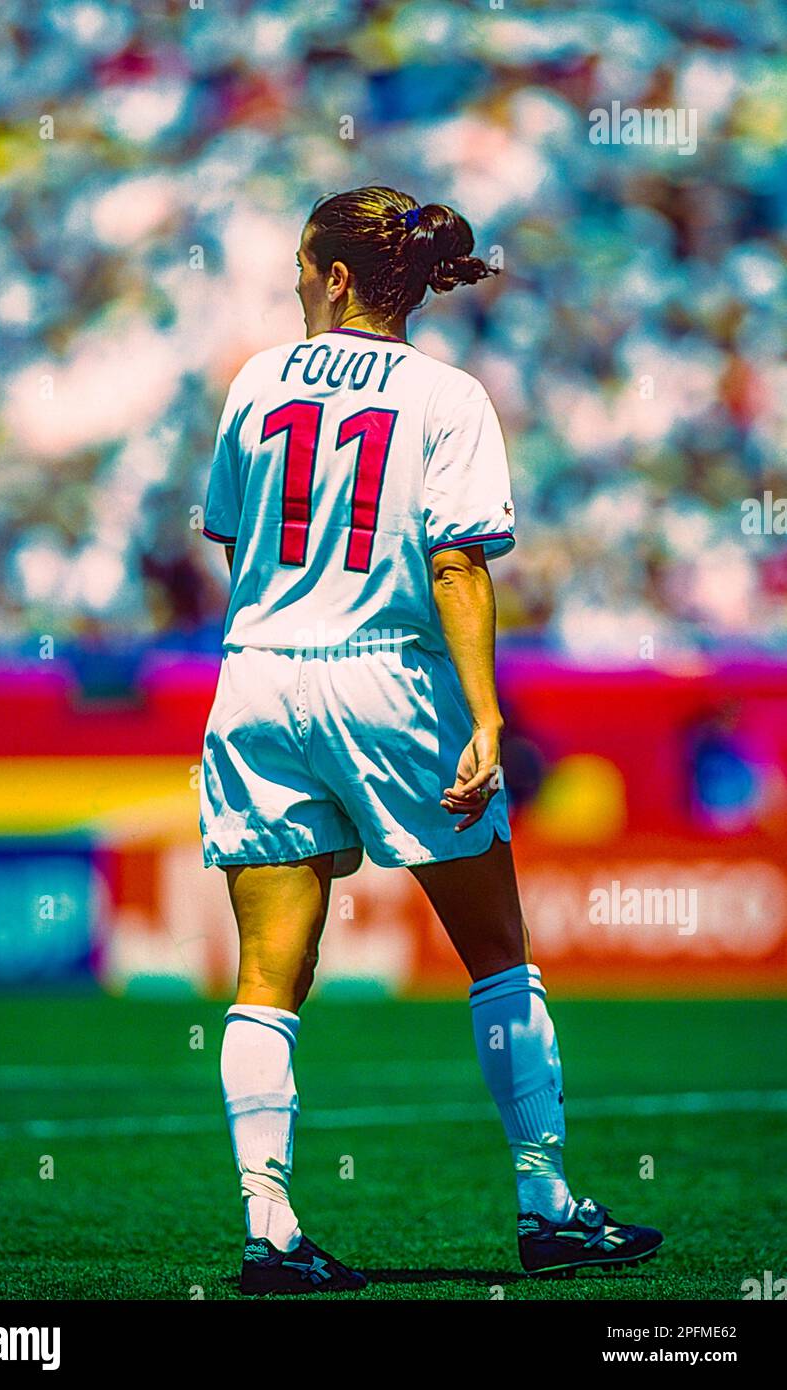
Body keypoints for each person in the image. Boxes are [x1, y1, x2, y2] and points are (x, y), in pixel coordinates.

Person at [200, 186, 663, 1294]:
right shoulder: (447, 396)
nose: (298, 282)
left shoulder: (256, 380)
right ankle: (545, 1201)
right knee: (496, 952)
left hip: (256, 676)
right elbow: (456, 560)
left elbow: (233, 541)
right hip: (391, 679)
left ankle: (269, 1226)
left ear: (341, 276)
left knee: (267, 978)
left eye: (306, 265)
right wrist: (486, 713)